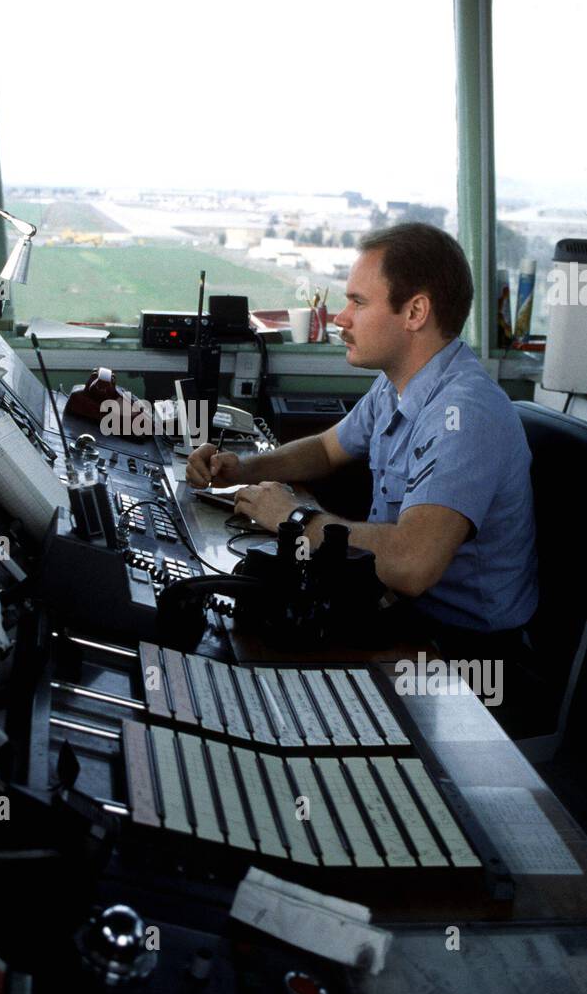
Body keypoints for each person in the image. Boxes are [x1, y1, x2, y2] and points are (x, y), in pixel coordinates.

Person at [186, 223, 540, 674]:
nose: (340, 319)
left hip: (463, 653)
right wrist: (241, 470)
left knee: (254, 665)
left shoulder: (466, 413)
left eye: (358, 302)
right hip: (396, 614)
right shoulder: (397, 384)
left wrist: (294, 518)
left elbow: (412, 564)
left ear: (414, 313)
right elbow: (327, 449)